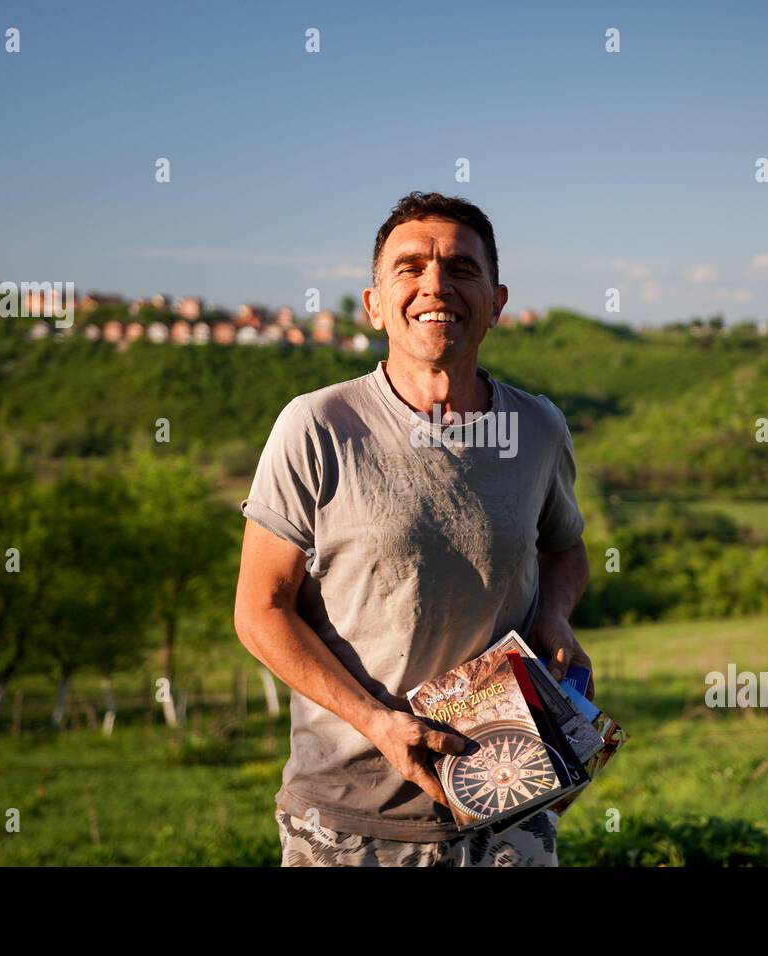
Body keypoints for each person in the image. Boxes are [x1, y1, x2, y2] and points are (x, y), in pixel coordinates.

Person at [234, 191, 592, 867]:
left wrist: (555, 615)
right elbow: (259, 611)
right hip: (346, 821)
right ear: (373, 304)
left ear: (496, 301)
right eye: (411, 267)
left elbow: (565, 548)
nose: (436, 284)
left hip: (507, 806)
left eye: (461, 268)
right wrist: (376, 721)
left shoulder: (539, 428)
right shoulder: (316, 427)